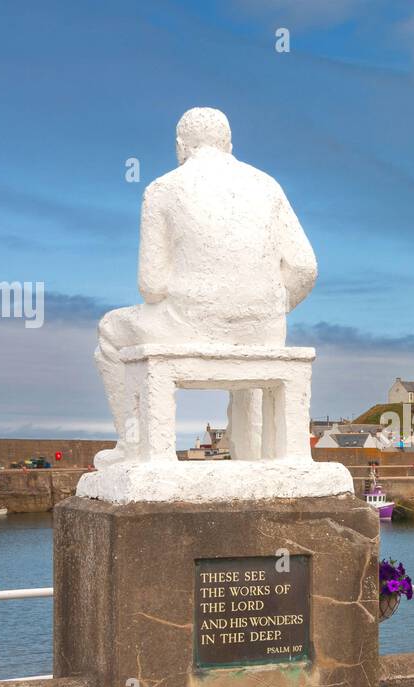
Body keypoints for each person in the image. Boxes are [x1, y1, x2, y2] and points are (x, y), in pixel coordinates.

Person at [93, 108, 318, 468]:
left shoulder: (162, 189)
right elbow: (305, 267)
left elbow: (150, 287)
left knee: (110, 332)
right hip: (263, 324)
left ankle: (132, 447)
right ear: (229, 144)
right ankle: (256, 454)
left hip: (190, 322)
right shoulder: (268, 186)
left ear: (181, 146)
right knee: (258, 343)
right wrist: (265, 307)